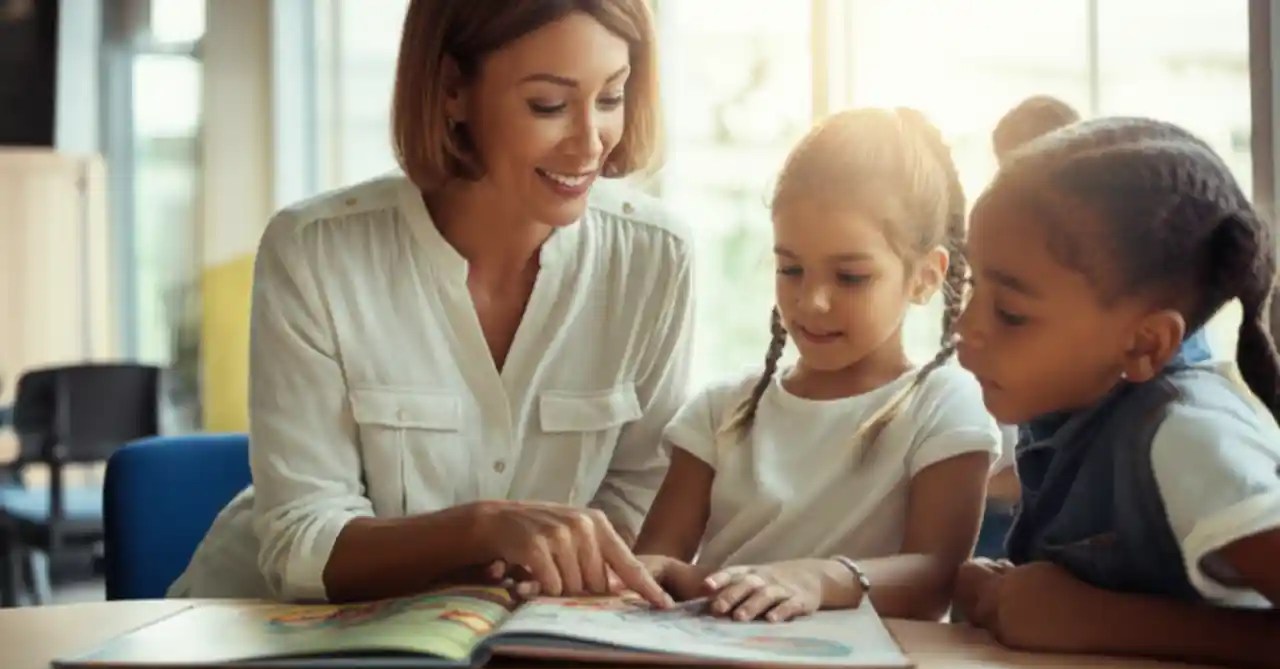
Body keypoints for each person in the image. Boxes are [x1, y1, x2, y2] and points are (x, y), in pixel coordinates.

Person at [169, 0, 690, 607]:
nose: (589, 143)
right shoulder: (315, 252)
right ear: (451, 90)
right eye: (548, 104)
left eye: (611, 98)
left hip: (516, 644)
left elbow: (637, 499)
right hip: (273, 638)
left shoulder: (655, 258)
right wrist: (479, 529)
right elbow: (300, 545)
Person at [632, 108, 1003, 623]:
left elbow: (935, 579)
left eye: (850, 277)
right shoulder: (720, 411)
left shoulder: (944, 406)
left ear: (923, 277)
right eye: (791, 269)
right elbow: (654, 567)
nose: (812, 302)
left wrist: (815, 579)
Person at [953, 117, 1280, 669]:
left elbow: (1082, 617)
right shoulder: (1067, 411)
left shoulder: (1187, 437)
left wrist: (1099, 620)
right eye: (968, 285)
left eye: (1010, 313)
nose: (966, 327)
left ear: (1145, 343)